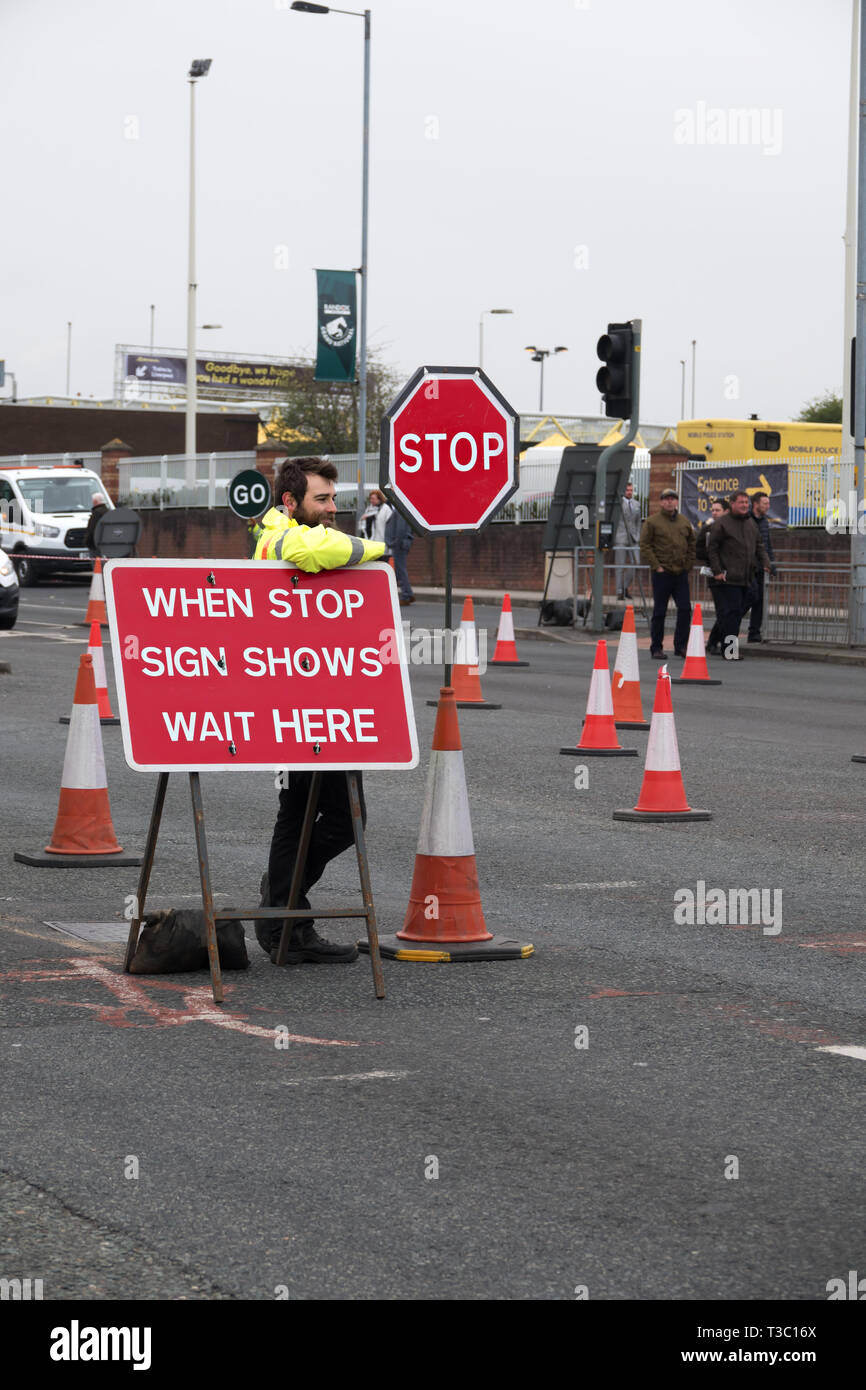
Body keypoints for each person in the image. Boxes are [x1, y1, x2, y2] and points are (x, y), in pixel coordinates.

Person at [254, 456, 385, 965]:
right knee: (330, 816)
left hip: (321, 696)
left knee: (308, 816)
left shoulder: (288, 531)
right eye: (322, 499)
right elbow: (317, 548)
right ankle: (283, 915)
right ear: (291, 502)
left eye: (334, 499)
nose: (333, 509)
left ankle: (284, 914)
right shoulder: (283, 537)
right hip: (296, 701)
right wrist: (375, 549)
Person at [706, 489, 770, 660]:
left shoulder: (750, 523)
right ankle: (729, 651)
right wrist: (717, 571)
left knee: (735, 614)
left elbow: (759, 545)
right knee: (733, 613)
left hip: (746, 577)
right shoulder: (722, 523)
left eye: (746, 502)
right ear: (732, 504)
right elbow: (712, 549)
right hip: (728, 578)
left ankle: (716, 641)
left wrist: (766, 562)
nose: (744, 505)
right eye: (741, 502)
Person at [639, 487, 696, 658]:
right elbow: (645, 545)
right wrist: (657, 566)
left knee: (685, 609)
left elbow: (692, 544)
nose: (670, 501)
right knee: (659, 612)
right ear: (661, 502)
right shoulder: (652, 522)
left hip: (680, 573)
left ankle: (681, 646)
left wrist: (688, 565)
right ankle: (656, 647)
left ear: (677, 501)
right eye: (666, 499)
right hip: (662, 573)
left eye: (673, 498)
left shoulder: (684, 521)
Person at [742, 491, 778, 643]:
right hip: (747, 568)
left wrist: (771, 563)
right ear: (755, 504)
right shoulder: (746, 520)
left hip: (761, 568)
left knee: (759, 601)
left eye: (768, 503)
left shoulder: (764, 521)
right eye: (765, 503)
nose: (768, 506)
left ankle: (754, 633)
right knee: (750, 598)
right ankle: (729, 623)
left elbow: (767, 544)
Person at [695, 497, 730, 654]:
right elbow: (698, 550)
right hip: (715, 576)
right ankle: (727, 647)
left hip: (733, 575)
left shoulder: (733, 528)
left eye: (718, 510)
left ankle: (713, 642)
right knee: (723, 611)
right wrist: (712, 556)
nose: (714, 513)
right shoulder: (707, 529)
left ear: (726, 512)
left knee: (732, 611)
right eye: (713, 510)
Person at [613, 481, 642, 599]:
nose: (630, 492)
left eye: (631, 490)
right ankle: (619, 592)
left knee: (637, 563)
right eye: (627, 490)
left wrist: (638, 535)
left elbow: (638, 521)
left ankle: (625, 587)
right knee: (620, 565)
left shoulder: (636, 504)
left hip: (634, 538)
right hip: (620, 537)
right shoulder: (617, 503)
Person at [385, 507, 415, 605]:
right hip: (401, 543)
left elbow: (401, 528)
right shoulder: (402, 508)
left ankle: (406, 595)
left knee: (400, 569)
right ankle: (408, 593)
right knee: (400, 569)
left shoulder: (400, 509)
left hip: (399, 544)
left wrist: (394, 542)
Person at [83, 492, 109, 557]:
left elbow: (92, 530)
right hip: (107, 545)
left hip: (95, 546)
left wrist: (87, 542)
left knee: (97, 565)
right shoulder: (108, 512)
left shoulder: (96, 513)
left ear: (95, 501)